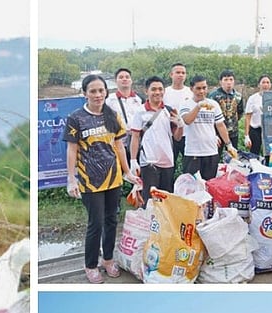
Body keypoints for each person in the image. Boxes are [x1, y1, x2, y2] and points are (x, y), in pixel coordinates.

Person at [64, 74, 138, 284]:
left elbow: (119, 145)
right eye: (93, 91)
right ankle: (90, 265)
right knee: (95, 223)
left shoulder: (112, 115)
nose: (97, 95)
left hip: (113, 179)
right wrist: (72, 179)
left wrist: (127, 172)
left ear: (106, 92)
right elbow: (71, 150)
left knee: (112, 220)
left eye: (101, 90)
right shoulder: (76, 118)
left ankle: (108, 259)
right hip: (90, 181)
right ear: (85, 93)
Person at [129, 76, 183, 198]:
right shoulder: (140, 111)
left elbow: (177, 138)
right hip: (149, 161)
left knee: (166, 197)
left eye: (160, 89)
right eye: (153, 89)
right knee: (150, 197)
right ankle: (147, 217)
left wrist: (180, 125)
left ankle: (164, 218)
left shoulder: (169, 111)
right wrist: (133, 160)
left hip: (167, 161)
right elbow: (135, 137)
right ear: (146, 91)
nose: (157, 92)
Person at [180, 75, 235, 181]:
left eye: (204, 88)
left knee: (210, 184)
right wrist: (198, 106)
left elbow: (220, 125)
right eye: (198, 88)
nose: (202, 91)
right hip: (193, 152)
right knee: (192, 186)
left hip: (211, 151)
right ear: (192, 89)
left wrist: (229, 144)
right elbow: (187, 120)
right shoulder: (186, 104)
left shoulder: (213, 104)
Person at [105, 67, 144, 166]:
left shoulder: (139, 99)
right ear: (116, 81)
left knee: (137, 173)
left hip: (137, 141)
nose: (124, 79)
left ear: (131, 80)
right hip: (118, 142)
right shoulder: (109, 100)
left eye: (127, 77)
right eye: (121, 77)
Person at [164, 63, 194, 167]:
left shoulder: (190, 92)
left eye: (183, 73)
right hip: (170, 134)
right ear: (171, 74)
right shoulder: (164, 92)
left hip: (188, 134)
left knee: (189, 164)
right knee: (170, 164)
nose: (180, 75)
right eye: (178, 72)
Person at [210, 70, 245, 149]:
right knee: (215, 157)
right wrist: (214, 134)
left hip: (233, 133)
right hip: (217, 133)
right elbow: (209, 116)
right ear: (220, 82)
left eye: (231, 79)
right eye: (225, 80)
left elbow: (240, 112)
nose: (228, 82)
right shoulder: (214, 96)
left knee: (233, 156)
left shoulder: (238, 96)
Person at [244, 75, 272, 156]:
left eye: (267, 82)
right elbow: (248, 117)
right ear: (259, 85)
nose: (265, 85)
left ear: (270, 85)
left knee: (270, 154)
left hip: (269, 130)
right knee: (254, 153)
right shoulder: (252, 98)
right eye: (263, 82)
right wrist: (246, 135)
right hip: (256, 130)